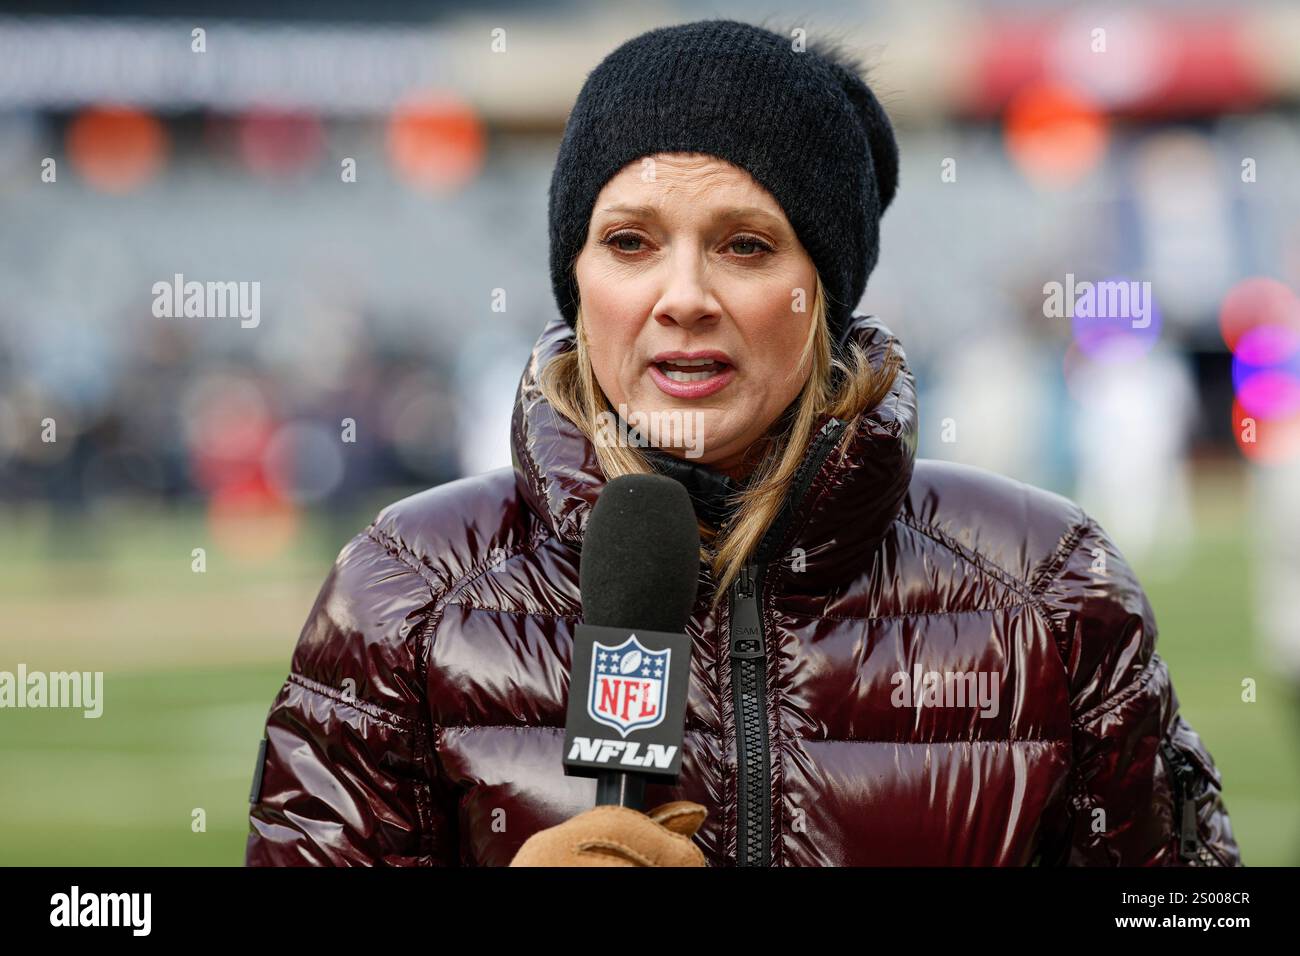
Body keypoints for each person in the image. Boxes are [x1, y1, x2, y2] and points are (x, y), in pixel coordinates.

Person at [245, 19, 1240, 867]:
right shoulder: (403, 591)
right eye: (630, 242)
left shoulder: (1053, 586)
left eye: (745, 245)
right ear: (576, 276)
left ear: (823, 290)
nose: (682, 297)